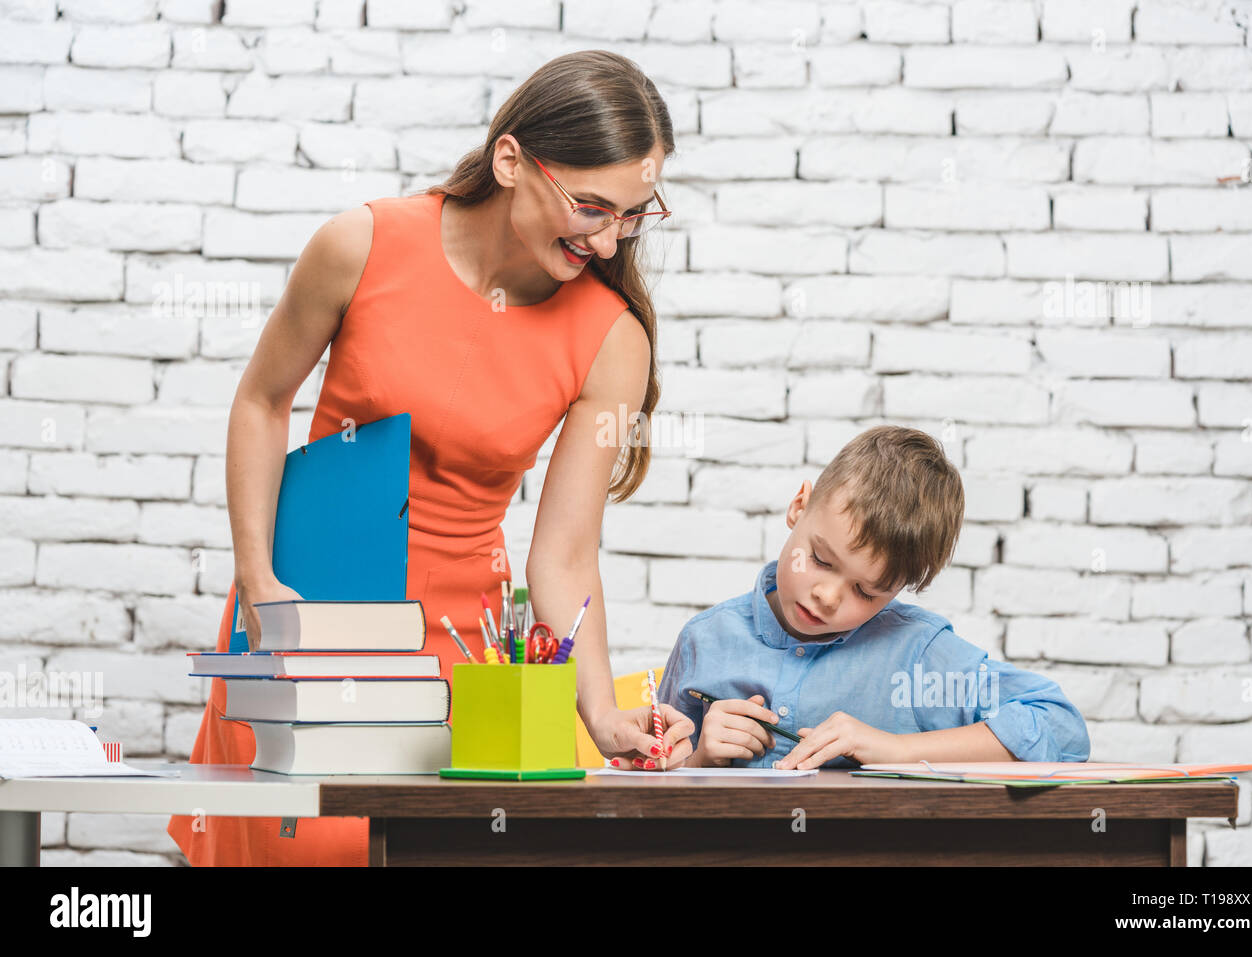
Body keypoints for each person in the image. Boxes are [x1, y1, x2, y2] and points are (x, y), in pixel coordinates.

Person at [168, 50, 694, 866]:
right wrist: (259, 581)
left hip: (458, 651)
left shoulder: (609, 338)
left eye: (631, 214)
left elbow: (563, 553)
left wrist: (598, 711)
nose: (608, 237)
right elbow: (262, 401)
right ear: (512, 160)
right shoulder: (362, 244)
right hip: (310, 614)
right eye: (592, 205)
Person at [658, 426, 1091, 770]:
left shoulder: (917, 655)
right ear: (799, 506)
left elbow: (1062, 726)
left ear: (897, 590)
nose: (828, 597)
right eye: (821, 560)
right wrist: (699, 760)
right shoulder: (706, 641)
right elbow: (649, 786)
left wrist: (898, 749)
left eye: (866, 591)